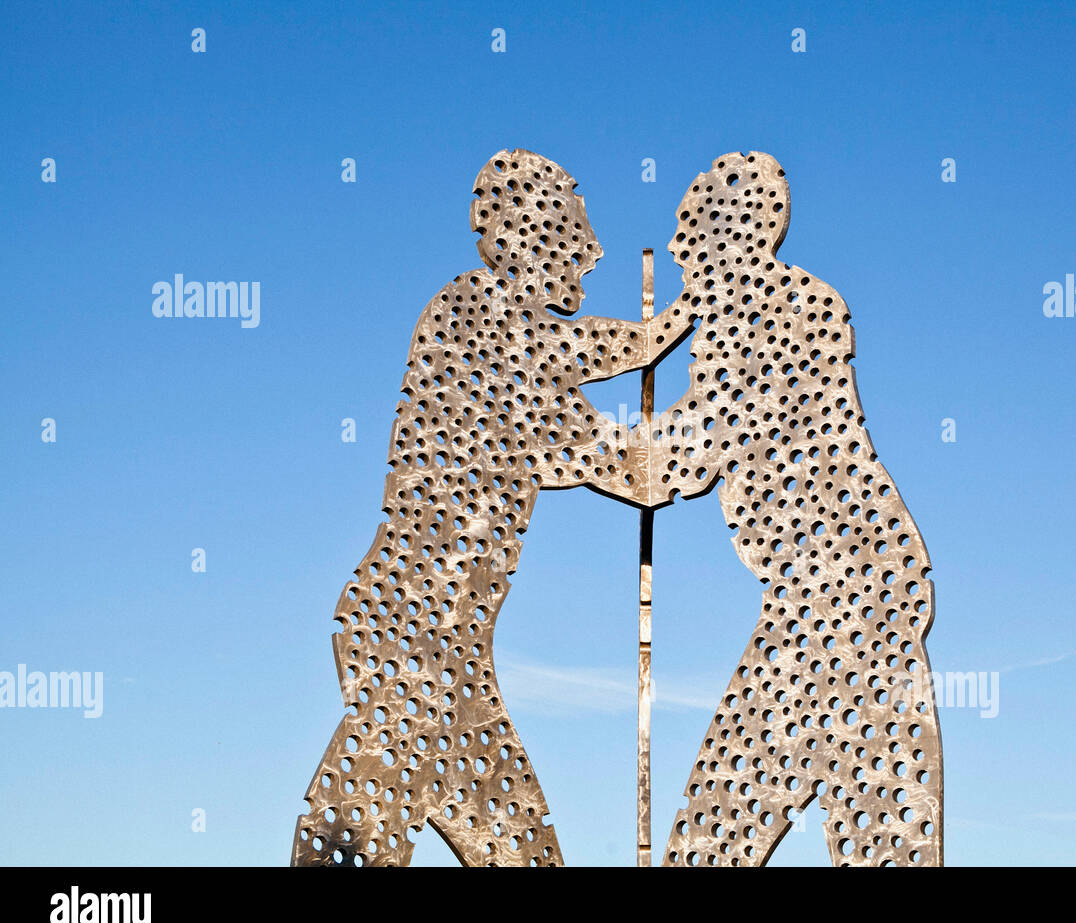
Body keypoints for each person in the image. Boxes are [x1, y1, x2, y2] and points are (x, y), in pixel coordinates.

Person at [291, 149, 694, 866]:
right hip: (412, 642)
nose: (594, 252)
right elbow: (625, 461)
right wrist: (713, 418)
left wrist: (672, 327)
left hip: (451, 659)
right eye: (576, 231)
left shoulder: (498, 325)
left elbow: (602, 349)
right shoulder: (479, 326)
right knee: (350, 833)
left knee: (512, 848)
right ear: (536, 236)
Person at [614, 151, 944, 866]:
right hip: (838, 598)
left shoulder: (771, 315)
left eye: (688, 230)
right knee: (856, 835)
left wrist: (566, 443)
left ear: (730, 234)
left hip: (841, 603)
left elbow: (687, 449)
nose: (675, 250)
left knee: (721, 832)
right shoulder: (764, 313)